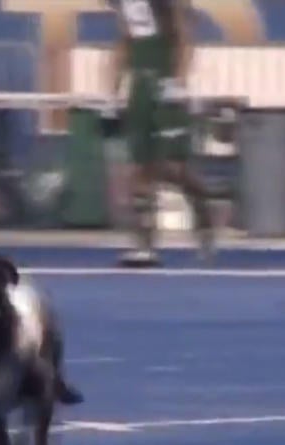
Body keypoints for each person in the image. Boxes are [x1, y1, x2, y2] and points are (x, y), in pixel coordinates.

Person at [112, 0, 213, 267]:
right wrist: (114, 87)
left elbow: (185, 37)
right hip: (140, 87)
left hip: (165, 83)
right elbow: (124, 39)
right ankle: (144, 244)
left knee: (174, 168)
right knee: (139, 167)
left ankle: (202, 213)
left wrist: (177, 82)